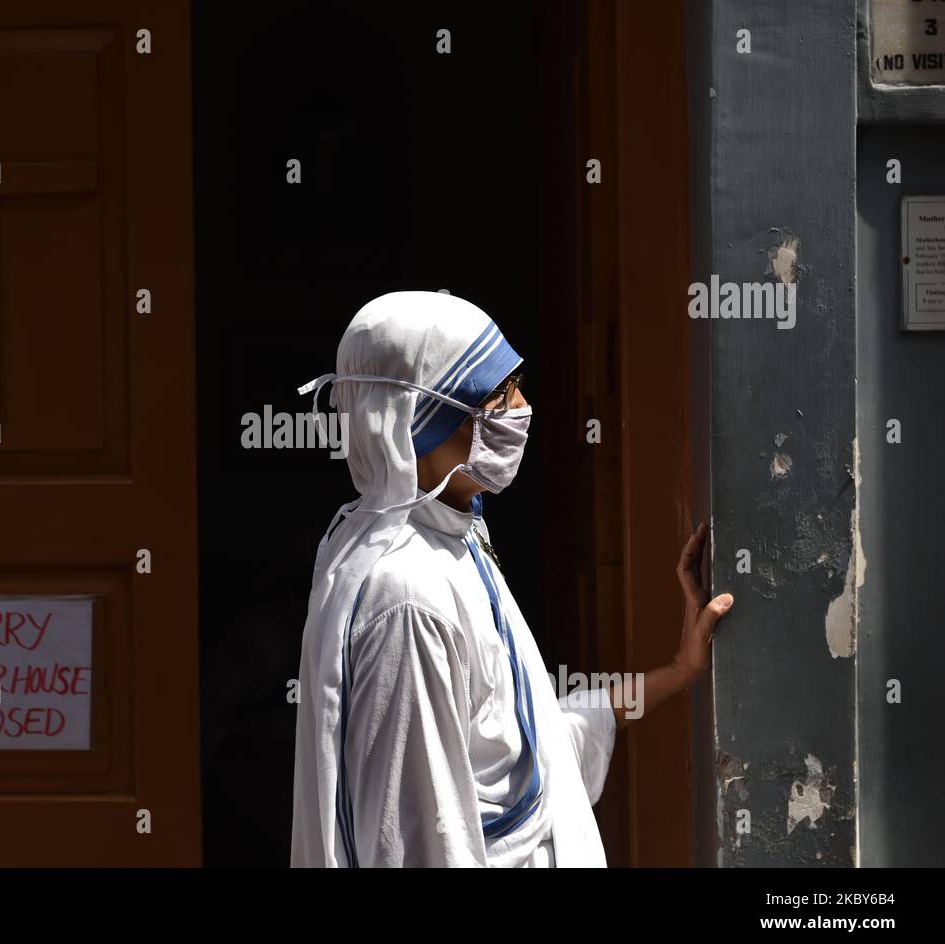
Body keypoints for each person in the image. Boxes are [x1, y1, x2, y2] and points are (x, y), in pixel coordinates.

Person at [290, 290, 733, 867]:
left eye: (515, 386)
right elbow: (425, 841)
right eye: (495, 396)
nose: (520, 409)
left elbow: (526, 744)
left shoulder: (454, 539)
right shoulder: (408, 596)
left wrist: (678, 671)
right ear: (417, 422)